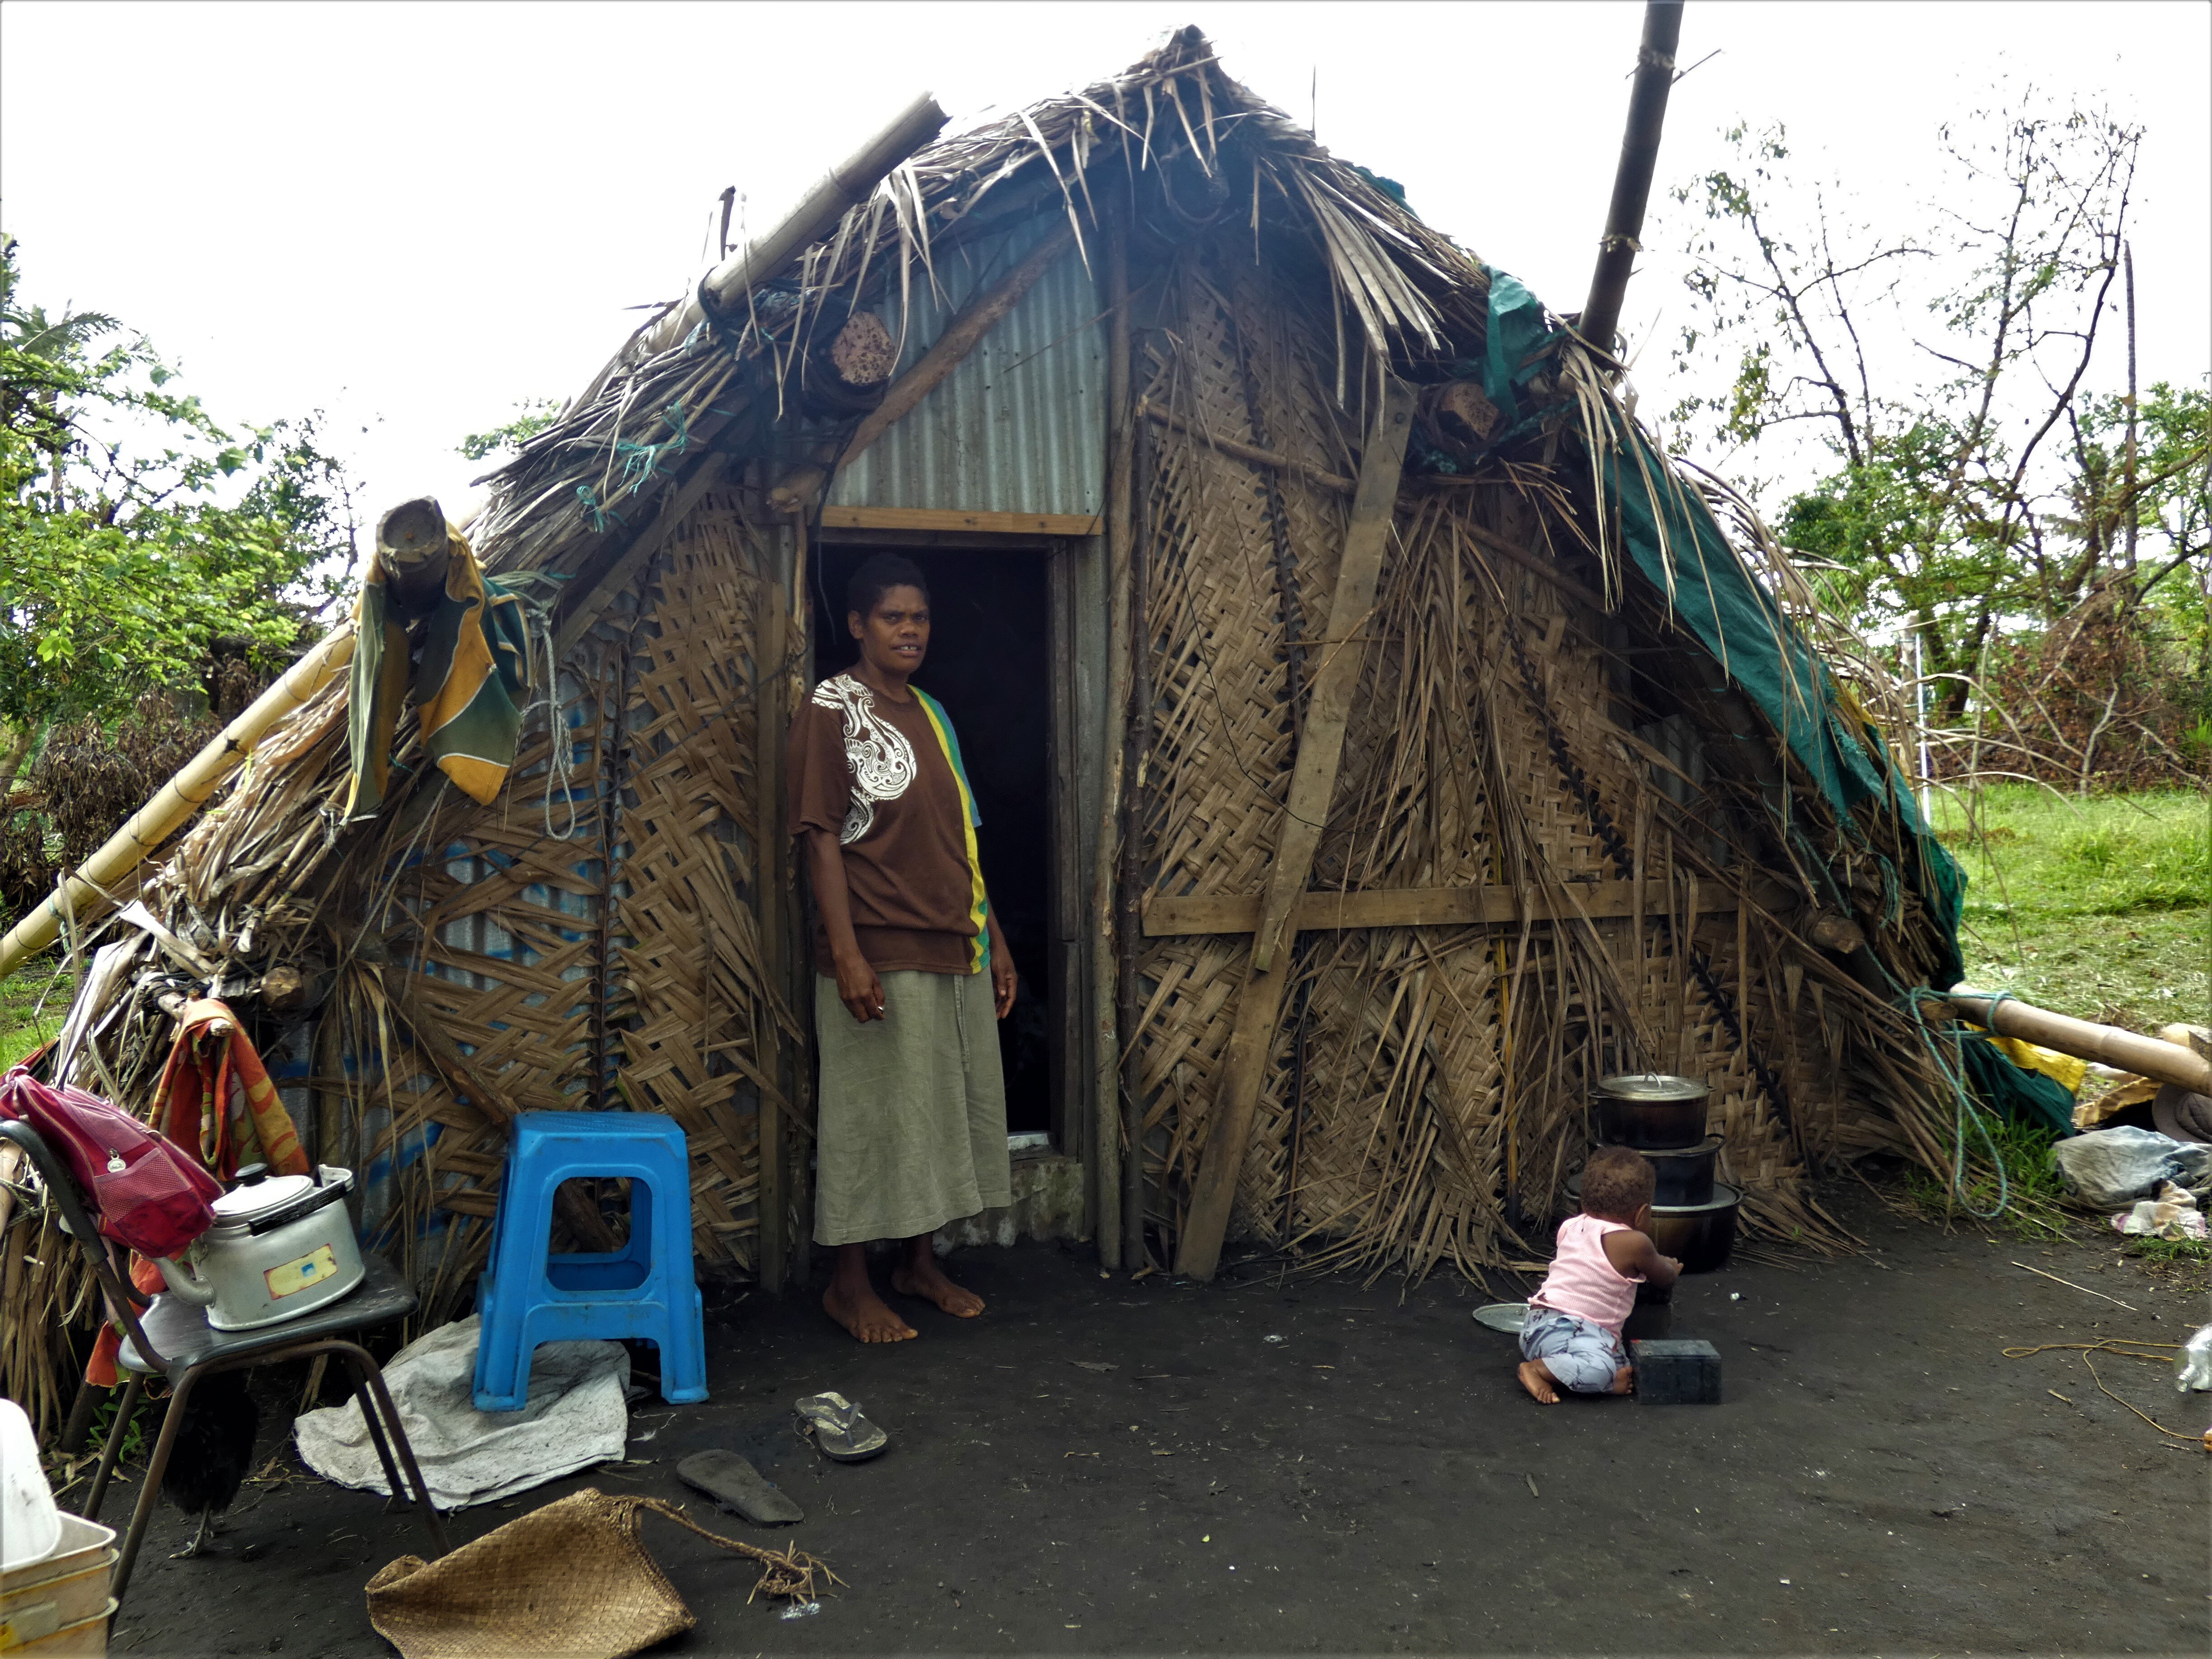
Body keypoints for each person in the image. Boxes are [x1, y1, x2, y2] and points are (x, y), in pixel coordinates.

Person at [787, 553, 1019, 1344]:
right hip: (878, 942)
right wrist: (847, 953)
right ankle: (849, 1283)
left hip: (954, 940)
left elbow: (965, 838)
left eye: (919, 617)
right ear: (858, 625)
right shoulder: (832, 707)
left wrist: (997, 940)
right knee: (868, 1115)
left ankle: (918, 1262)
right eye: (894, 617)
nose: (911, 630)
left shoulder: (931, 710)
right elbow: (819, 837)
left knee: (933, 1112)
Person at [1515, 1145, 1681, 1402]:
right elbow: (1664, 1277)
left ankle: (1560, 1367)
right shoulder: (1636, 1243)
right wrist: (1671, 1266)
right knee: (1600, 1370)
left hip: (1536, 1328)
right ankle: (1536, 1370)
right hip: (1572, 1330)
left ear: (1584, 1203)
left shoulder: (1571, 1226)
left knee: (1621, 1367)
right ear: (1642, 1214)